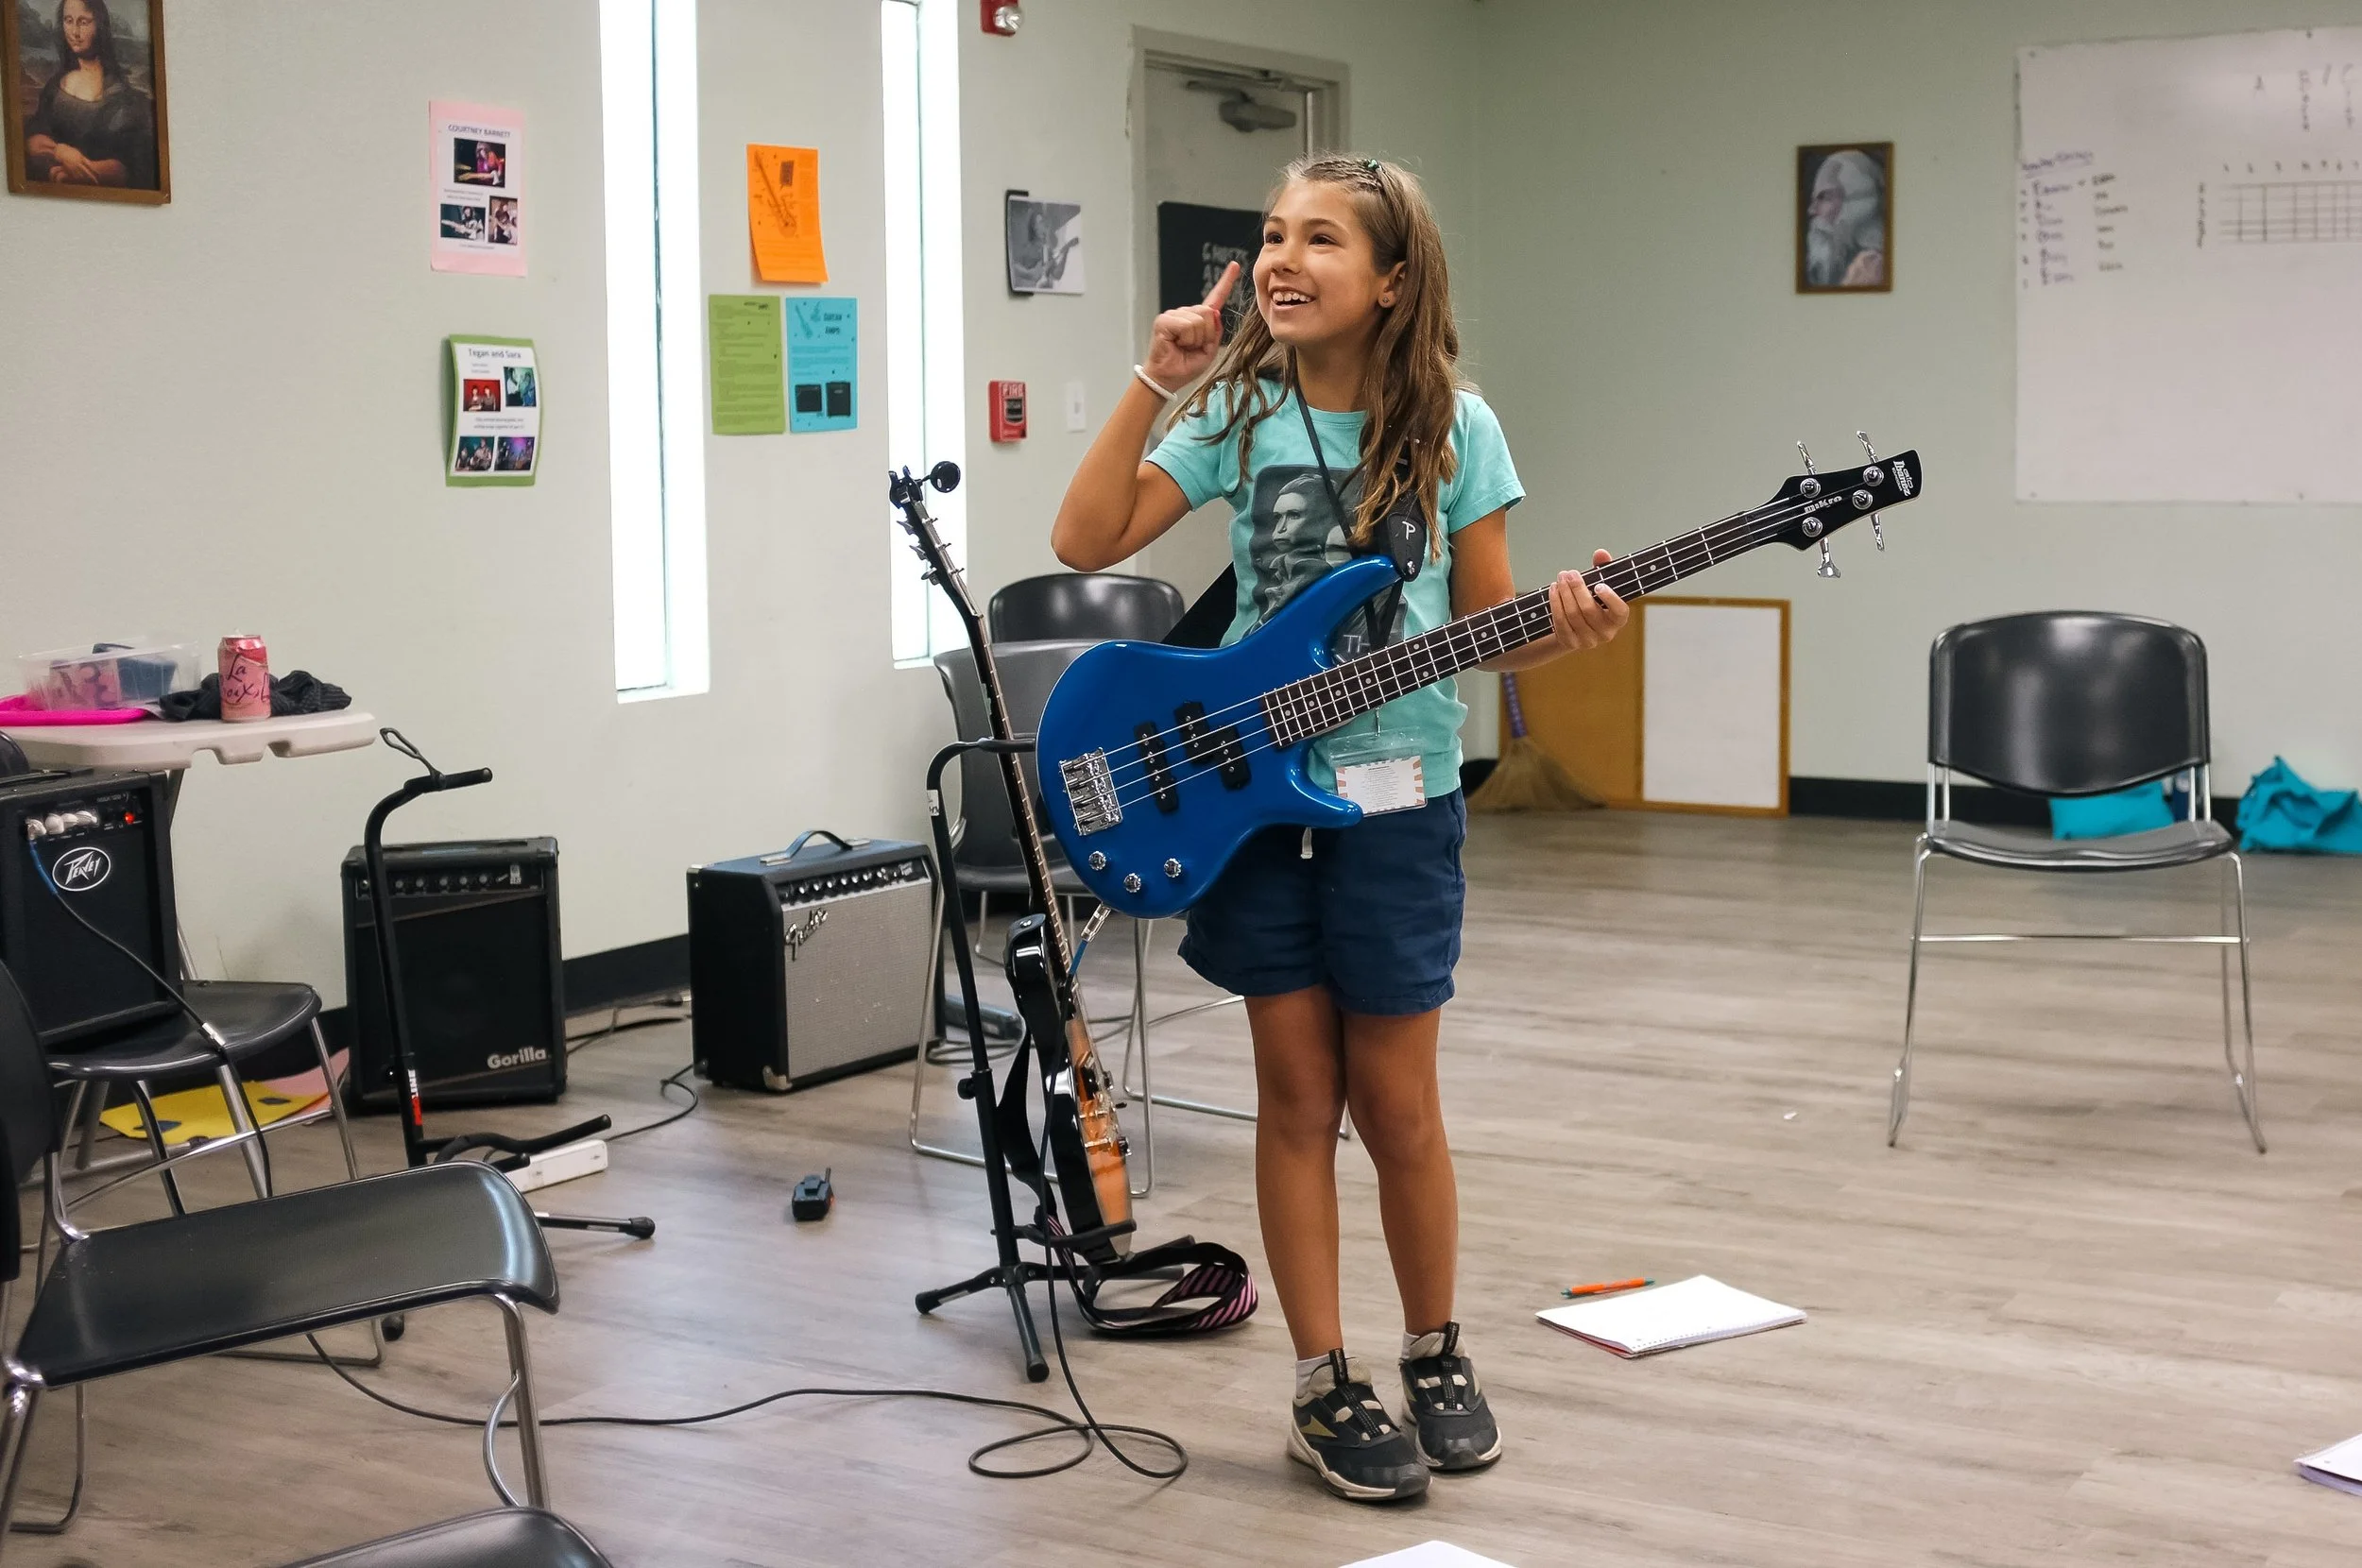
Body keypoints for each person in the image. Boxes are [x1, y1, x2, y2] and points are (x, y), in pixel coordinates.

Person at [1051, 154, 1629, 1503]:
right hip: (1250, 804)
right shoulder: (1239, 407)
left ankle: (1435, 1350)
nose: (1284, 261)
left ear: (1394, 279)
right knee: (1296, 1100)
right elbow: (1085, 538)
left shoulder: (1455, 429)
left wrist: (1572, 626)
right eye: (1271, 237)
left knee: (1400, 1107)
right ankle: (1323, 1380)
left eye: (1321, 238)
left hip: (1400, 801)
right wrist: (1158, 375)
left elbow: (1494, 628)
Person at [20, 0, 157, 191]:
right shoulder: (55, 86)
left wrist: (84, 172)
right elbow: (31, 139)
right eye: (68, 20)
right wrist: (60, 152)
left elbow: (132, 166)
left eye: (83, 22)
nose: (74, 32)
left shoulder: (122, 99)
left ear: (100, 26)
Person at [1805, 149, 1886, 288]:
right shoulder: (1836, 265)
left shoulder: (1871, 268)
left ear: (1855, 203)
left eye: (1824, 197)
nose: (1811, 210)